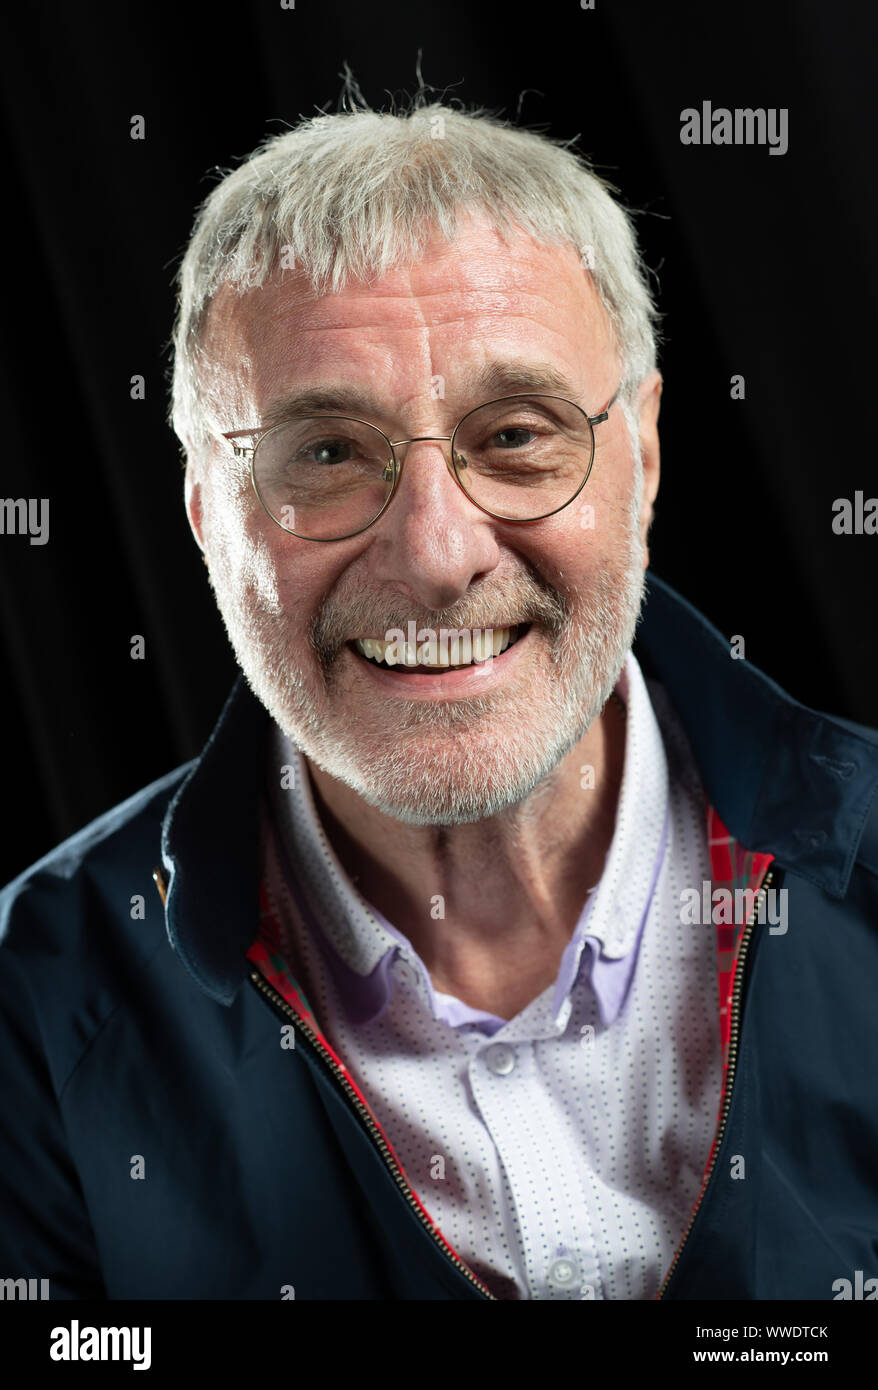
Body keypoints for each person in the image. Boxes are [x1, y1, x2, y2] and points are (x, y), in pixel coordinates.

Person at [2, 96, 877, 1303]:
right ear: (206, 512)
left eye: (515, 434)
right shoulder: (37, 1000)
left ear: (646, 454)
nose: (434, 550)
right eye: (324, 452)